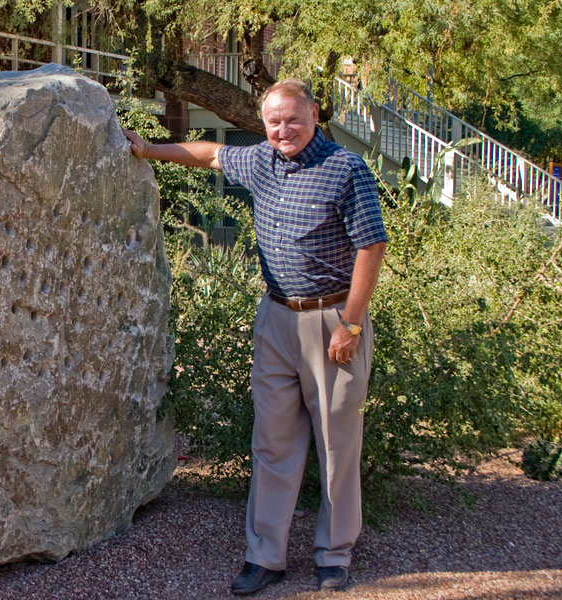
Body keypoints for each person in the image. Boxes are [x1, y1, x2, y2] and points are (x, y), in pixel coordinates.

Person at [123, 79, 388, 594]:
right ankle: (265, 555)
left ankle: (334, 555)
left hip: (334, 322)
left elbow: (371, 247)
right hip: (275, 318)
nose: (284, 130)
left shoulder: (346, 168)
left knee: (338, 447)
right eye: (274, 122)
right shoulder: (260, 160)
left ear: (314, 114)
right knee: (272, 443)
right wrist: (148, 149)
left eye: (293, 119)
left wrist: (352, 324)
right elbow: (210, 154)